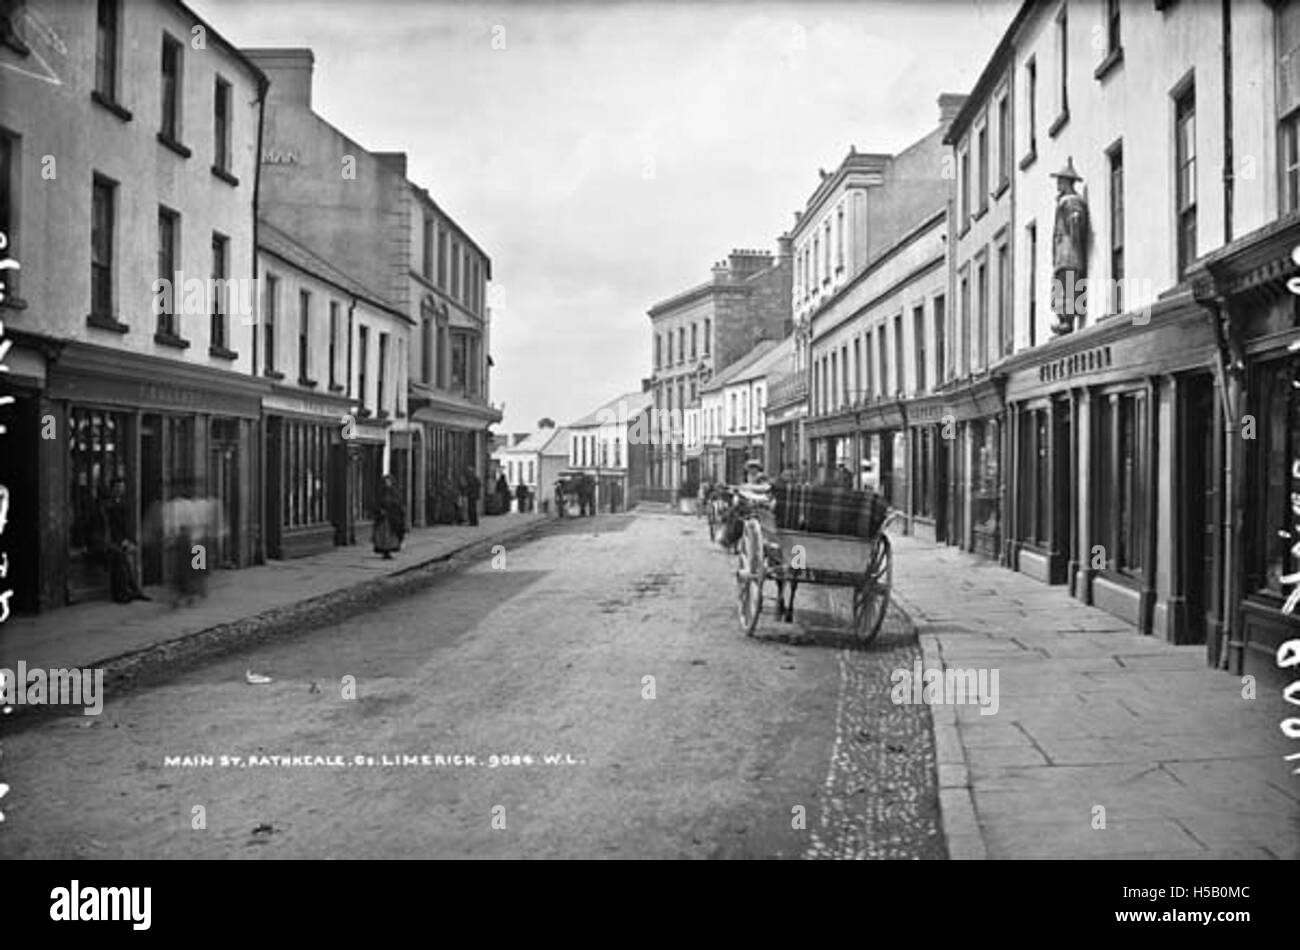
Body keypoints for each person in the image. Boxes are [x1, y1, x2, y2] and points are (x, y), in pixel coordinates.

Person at [100, 478, 148, 603]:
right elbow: (111, 526)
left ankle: (132, 591)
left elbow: (123, 525)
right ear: (112, 489)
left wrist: (128, 540)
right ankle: (122, 593)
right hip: (110, 541)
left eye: (122, 488)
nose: (120, 490)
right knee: (120, 563)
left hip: (118, 540)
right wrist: (123, 541)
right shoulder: (108, 505)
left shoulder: (120, 503)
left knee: (126, 564)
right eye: (118, 488)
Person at [373, 474, 405, 559]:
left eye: (389, 481)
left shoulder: (394, 492)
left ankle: (389, 550)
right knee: (383, 535)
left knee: (391, 535)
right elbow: (377, 503)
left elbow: (398, 504)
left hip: (392, 518)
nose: (388, 483)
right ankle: (384, 550)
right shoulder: (381, 492)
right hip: (383, 519)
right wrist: (380, 510)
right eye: (386, 481)